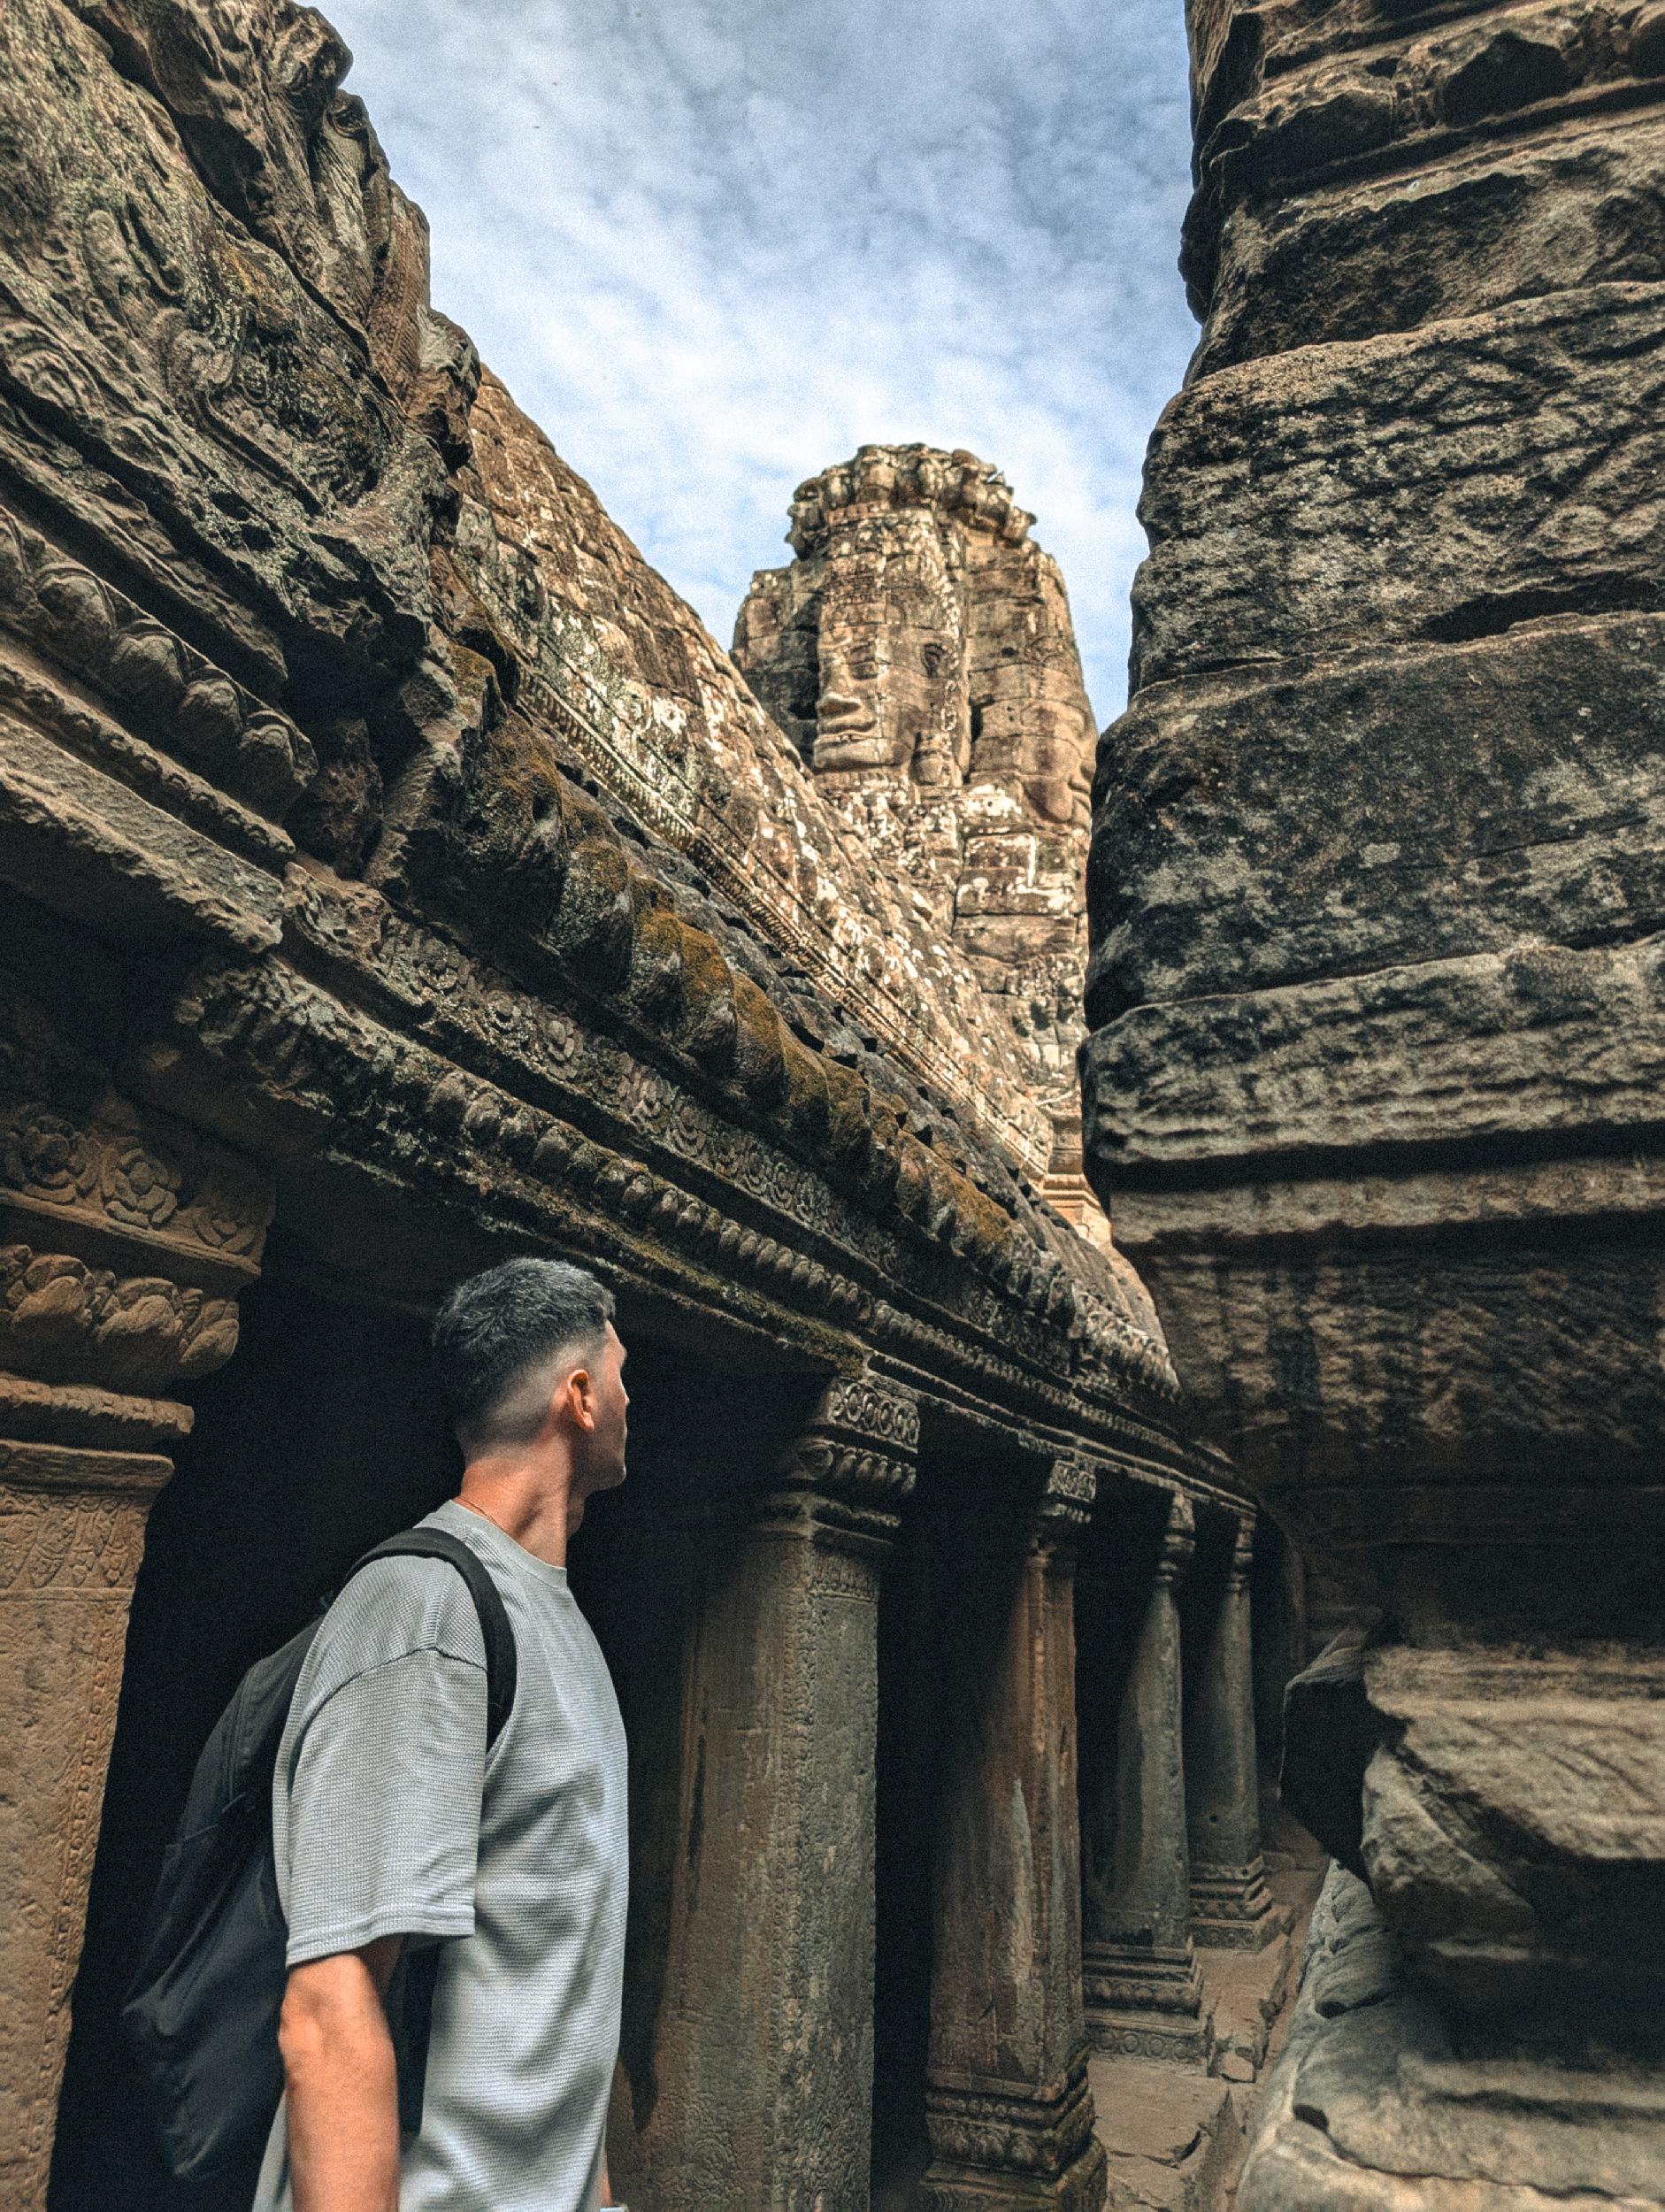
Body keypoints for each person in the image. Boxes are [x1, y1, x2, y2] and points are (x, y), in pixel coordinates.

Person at [250, 1257, 631, 2212]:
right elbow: (328, 2011)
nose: (634, 1397)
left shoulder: (553, 1615)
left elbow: (559, 1969)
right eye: (623, 1373)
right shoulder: (423, 1612)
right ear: (578, 1397)